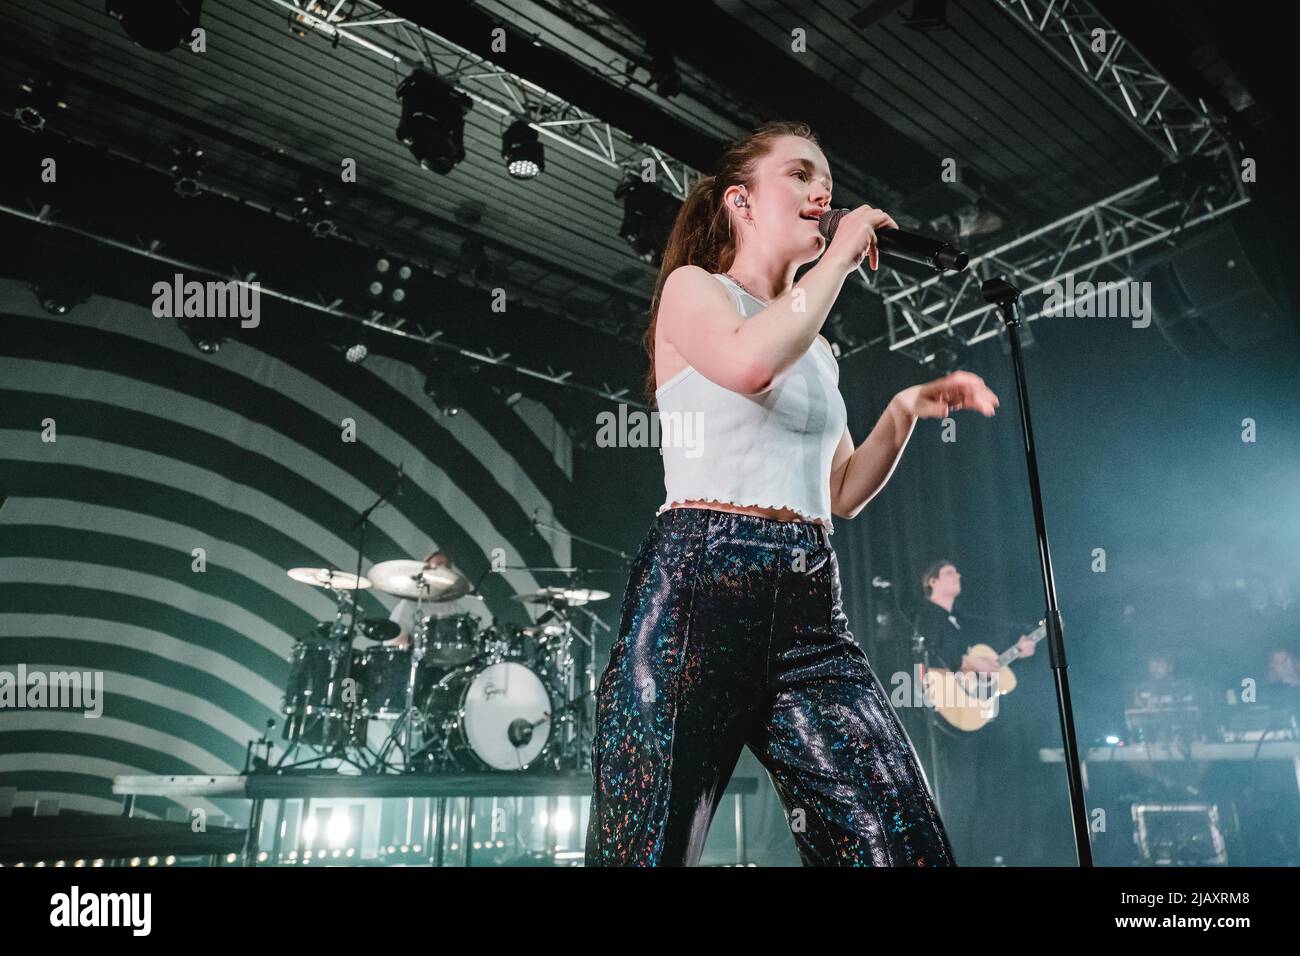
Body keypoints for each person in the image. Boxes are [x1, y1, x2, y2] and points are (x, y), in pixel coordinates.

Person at [584, 121, 1001, 867]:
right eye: (802, 176)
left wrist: (903, 411)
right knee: (646, 851)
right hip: (699, 590)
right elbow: (748, 365)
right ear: (741, 201)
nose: (822, 195)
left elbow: (840, 491)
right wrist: (839, 259)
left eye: (829, 188)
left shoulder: (819, 349)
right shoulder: (695, 291)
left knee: (897, 843)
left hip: (810, 603)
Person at [912, 559, 1038, 866]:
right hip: (948, 718)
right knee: (959, 796)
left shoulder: (961, 620)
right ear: (933, 582)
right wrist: (968, 663)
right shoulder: (927, 616)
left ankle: (986, 857)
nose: (958, 575)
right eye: (950, 572)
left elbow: (990, 667)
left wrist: (1019, 651)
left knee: (982, 793)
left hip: (975, 716)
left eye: (958, 570)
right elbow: (931, 658)